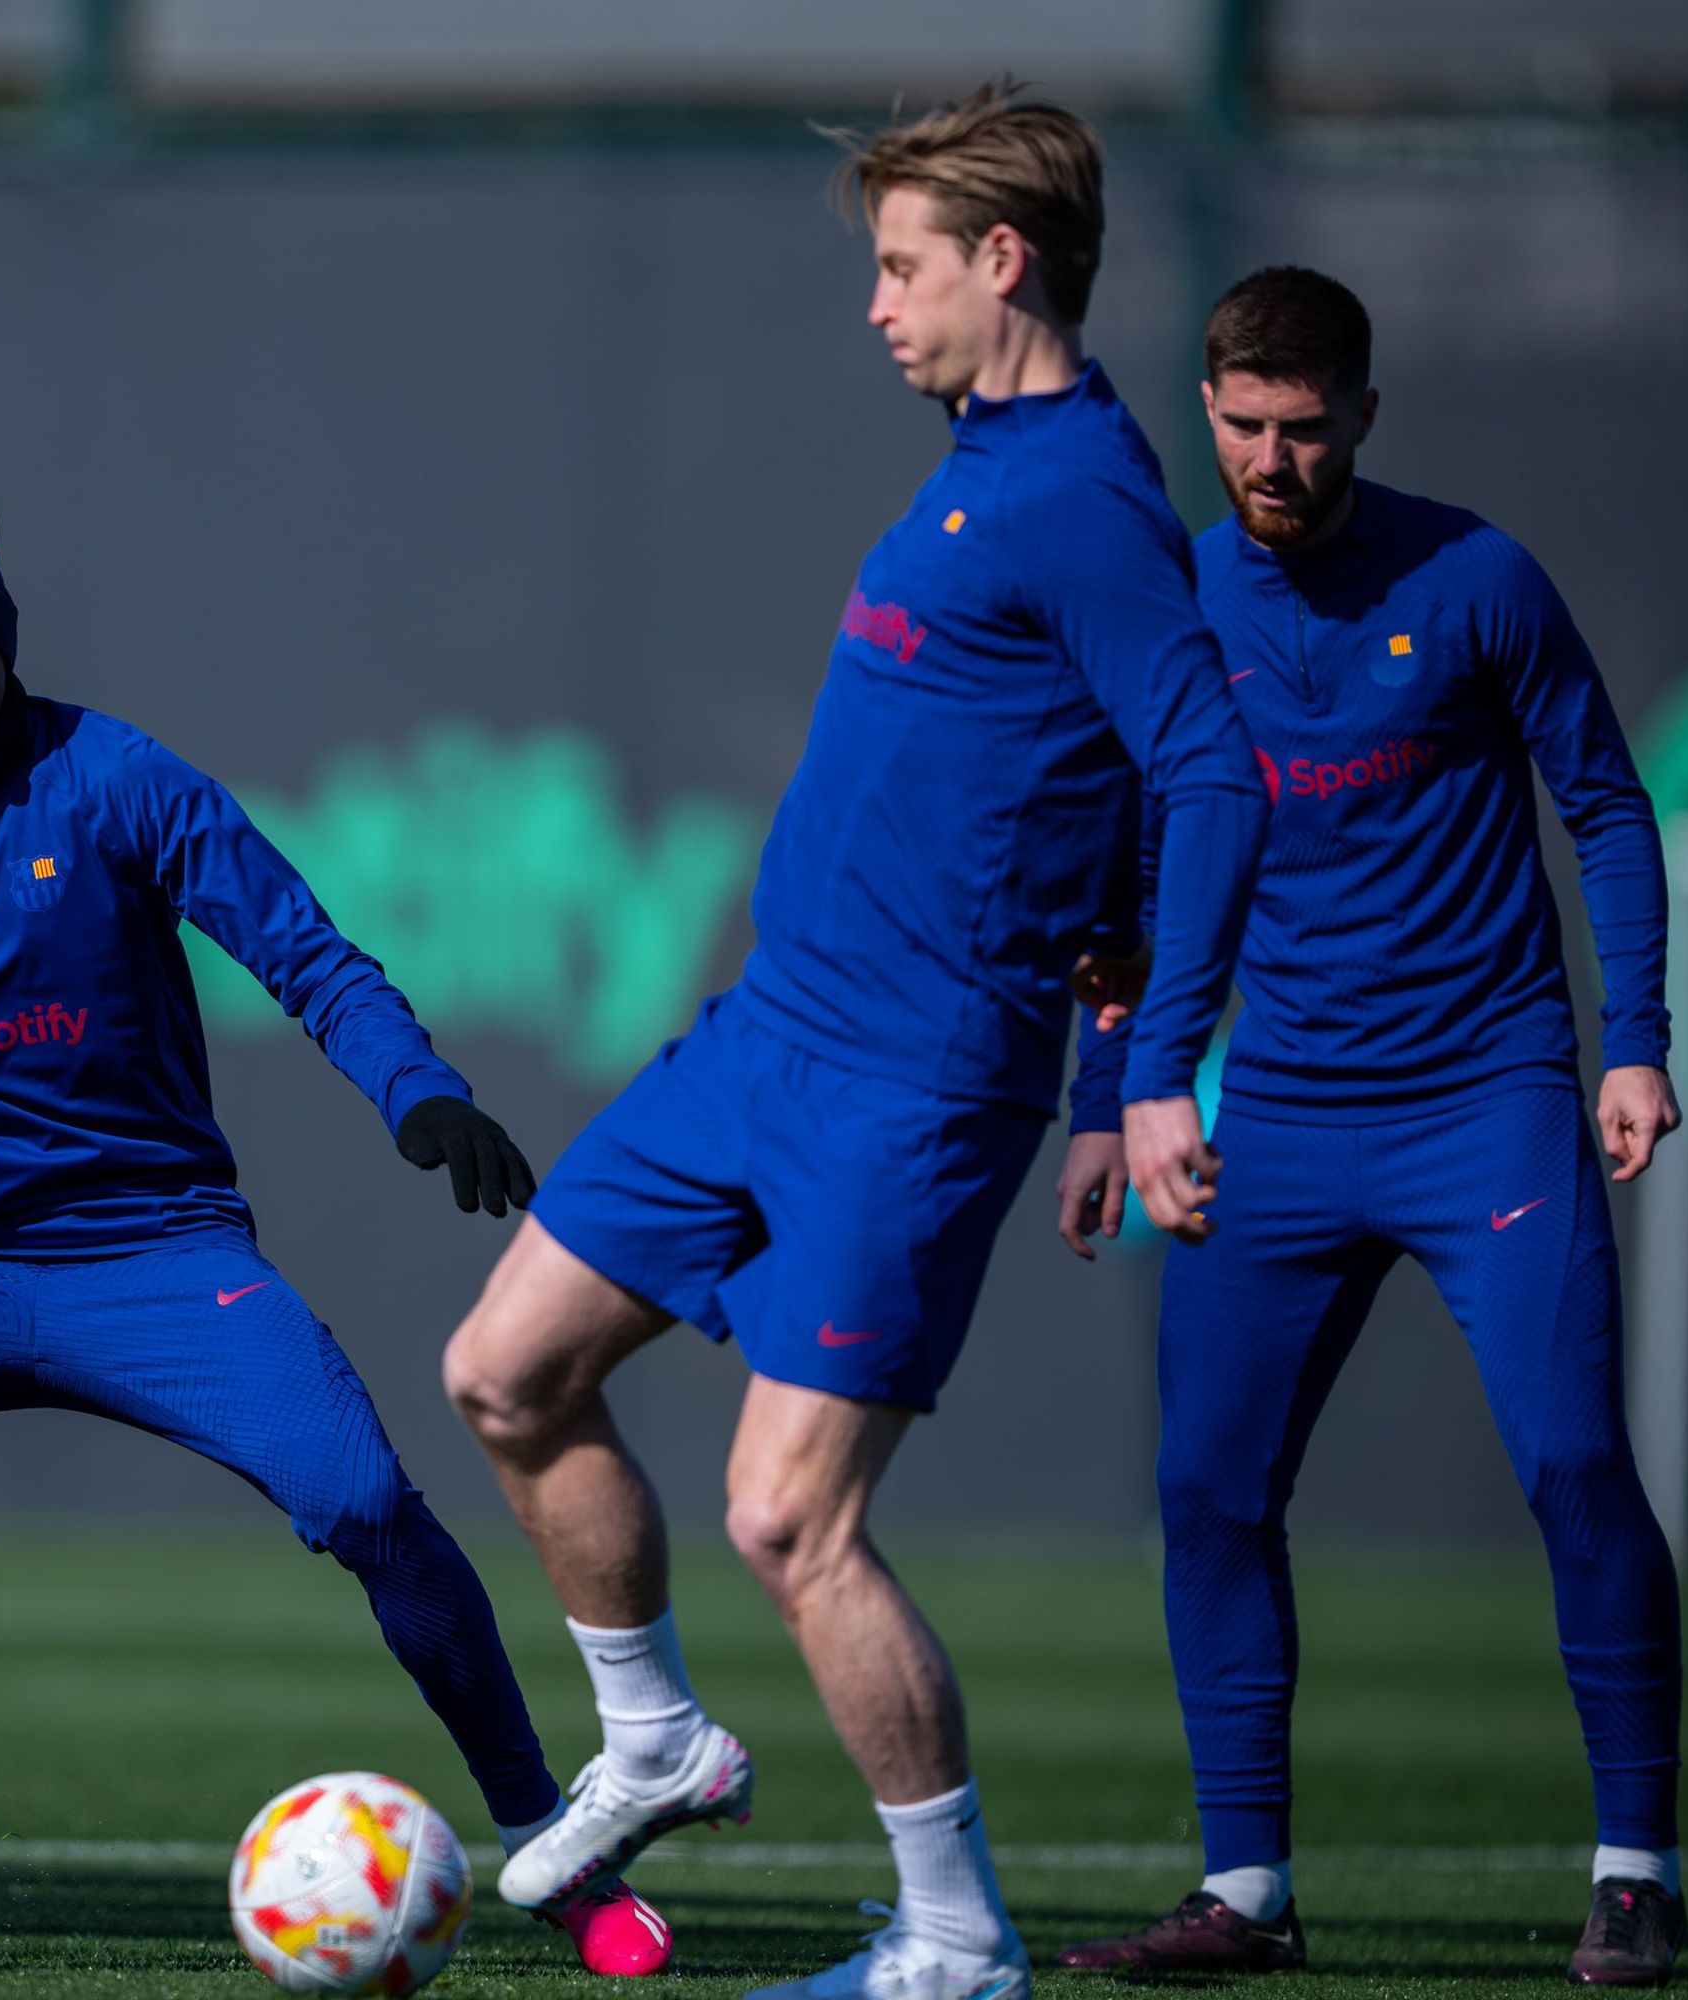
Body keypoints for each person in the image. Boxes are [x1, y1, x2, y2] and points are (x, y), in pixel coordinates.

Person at [0, 477, 675, 1980]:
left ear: (2, 653)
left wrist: (416, 1093)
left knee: (367, 1506)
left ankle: (553, 1844)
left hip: (154, 1261)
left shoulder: (115, 778)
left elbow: (306, 955)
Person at [437, 82, 1268, 2000]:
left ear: (1005, 261)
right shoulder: (982, 457)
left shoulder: (1086, 505)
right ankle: (653, 1738)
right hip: (762, 1038)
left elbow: (1207, 777)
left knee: (788, 1518)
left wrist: (1142, 1077)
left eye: (903, 268)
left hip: (910, 1084)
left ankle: (959, 1938)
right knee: (503, 1373)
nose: (876, 305)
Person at [1052, 267, 1687, 1989]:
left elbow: (1611, 814)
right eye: (1245, 424)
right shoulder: (1174, 608)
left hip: (1490, 1106)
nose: (1274, 456)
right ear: (1209, 412)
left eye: (1306, 425)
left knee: (1569, 1462)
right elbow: (1126, 891)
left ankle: (1637, 1867)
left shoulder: (1474, 578)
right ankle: (1245, 1893)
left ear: (1365, 414)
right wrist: (1109, 1104)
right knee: (1205, 1493)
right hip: (1282, 1124)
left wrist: (1635, 1043)